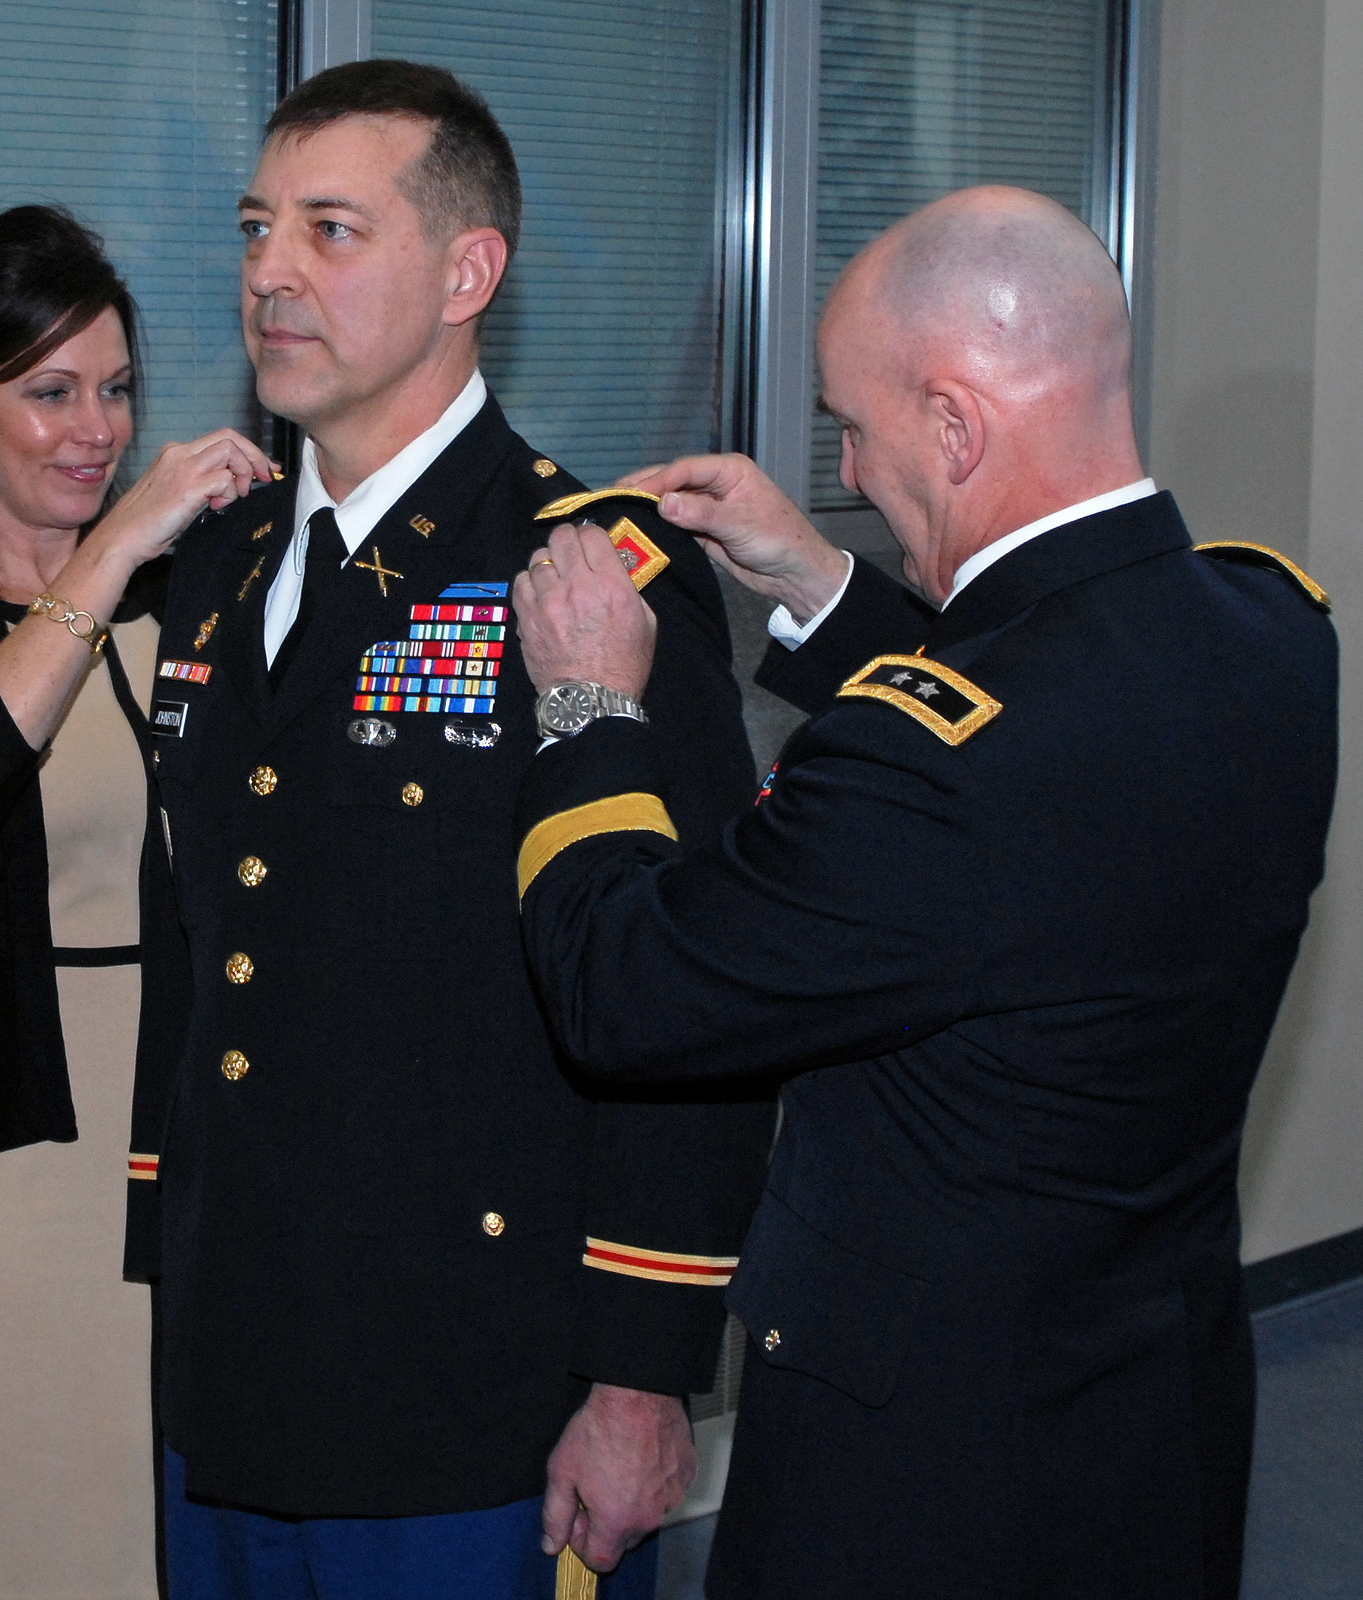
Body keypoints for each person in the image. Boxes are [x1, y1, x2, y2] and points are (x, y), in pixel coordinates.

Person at [510, 185, 1339, 1600]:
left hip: (920, 1487)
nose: (846, 464)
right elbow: (1034, 719)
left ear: (955, 426)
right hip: (1150, 1429)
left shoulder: (945, 770)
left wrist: (586, 702)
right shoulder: (1268, 630)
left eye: (853, 427)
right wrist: (821, 579)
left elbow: (626, 989)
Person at [125, 58, 772, 1600]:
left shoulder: (585, 571)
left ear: (467, 273)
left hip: (475, 1382)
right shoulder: (216, 565)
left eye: (332, 230)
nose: (270, 272)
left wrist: (639, 1375)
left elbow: (688, 1000)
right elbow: (197, 935)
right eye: (256, 228)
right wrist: (168, 1237)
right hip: (232, 1351)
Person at [0, 204, 276, 1600]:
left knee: (177, 1552)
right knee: (17, 1552)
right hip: (1, 1169)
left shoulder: (188, 601)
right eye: (52, 393)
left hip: (189, 1139)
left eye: (118, 390)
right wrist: (115, 549)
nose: (97, 429)